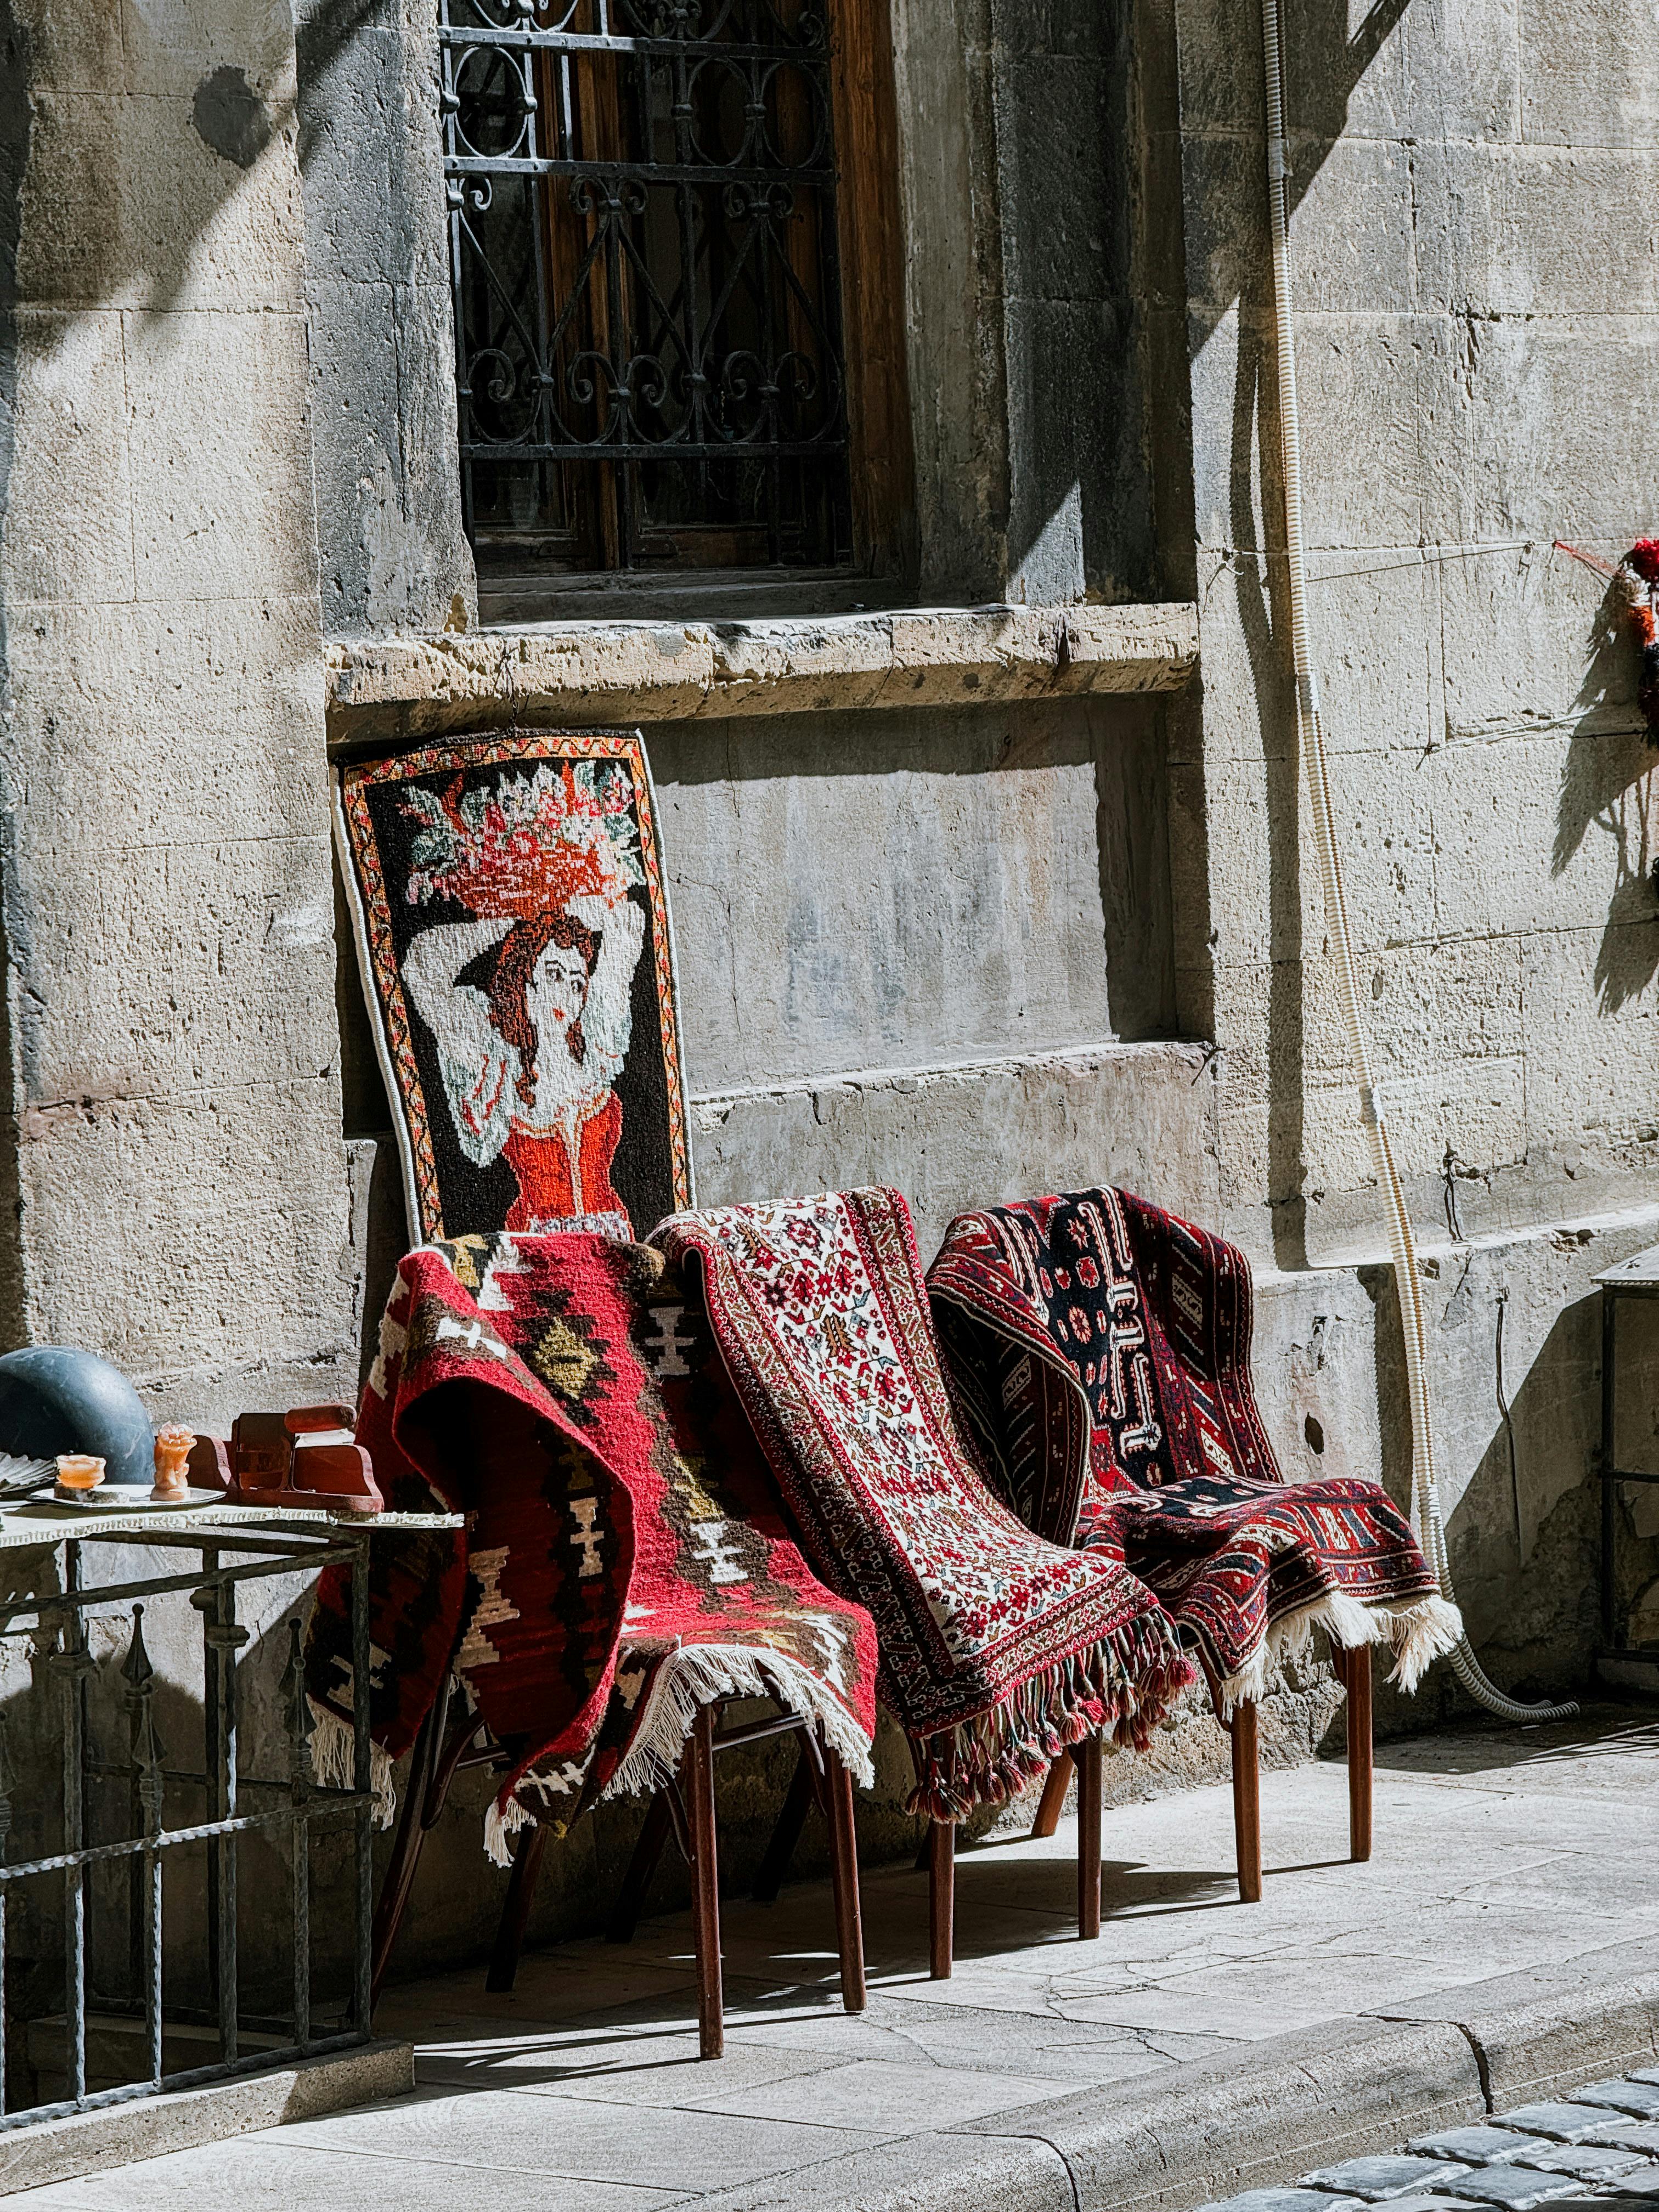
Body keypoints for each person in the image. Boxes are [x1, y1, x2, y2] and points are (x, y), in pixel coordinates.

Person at [402, 881, 647, 1228]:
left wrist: (574, 900)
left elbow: (629, 917)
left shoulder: (595, 1054)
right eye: (554, 975)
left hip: (611, 1232)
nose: (565, 994)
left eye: (577, 983)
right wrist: (507, 918)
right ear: (526, 981)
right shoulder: (500, 1062)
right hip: (535, 1240)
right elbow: (420, 968)